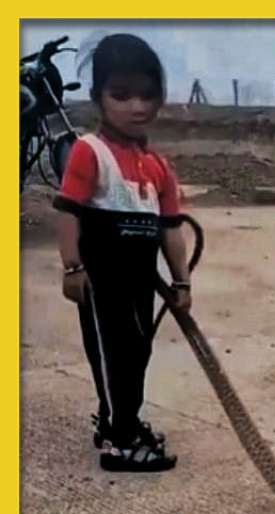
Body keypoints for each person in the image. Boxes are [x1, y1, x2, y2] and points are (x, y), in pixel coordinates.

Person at [52, 33, 191, 471]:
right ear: (98, 97)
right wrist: (72, 267)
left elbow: (171, 228)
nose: (136, 106)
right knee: (112, 356)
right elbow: (68, 212)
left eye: (147, 95)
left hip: (140, 283)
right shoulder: (88, 152)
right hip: (102, 281)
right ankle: (119, 439)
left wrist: (181, 281)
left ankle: (123, 420)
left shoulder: (158, 166)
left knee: (137, 354)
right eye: (121, 94)